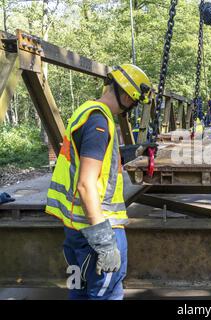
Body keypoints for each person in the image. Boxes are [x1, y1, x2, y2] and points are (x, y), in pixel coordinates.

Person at [45, 64, 152, 300]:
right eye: (133, 104)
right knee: (107, 293)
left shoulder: (85, 112)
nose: (130, 110)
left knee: (79, 291)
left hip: (76, 228)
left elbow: (95, 162)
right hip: (97, 229)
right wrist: (104, 243)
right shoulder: (99, 123)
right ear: (126, 97)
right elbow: (85, 183)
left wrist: (136, 151)